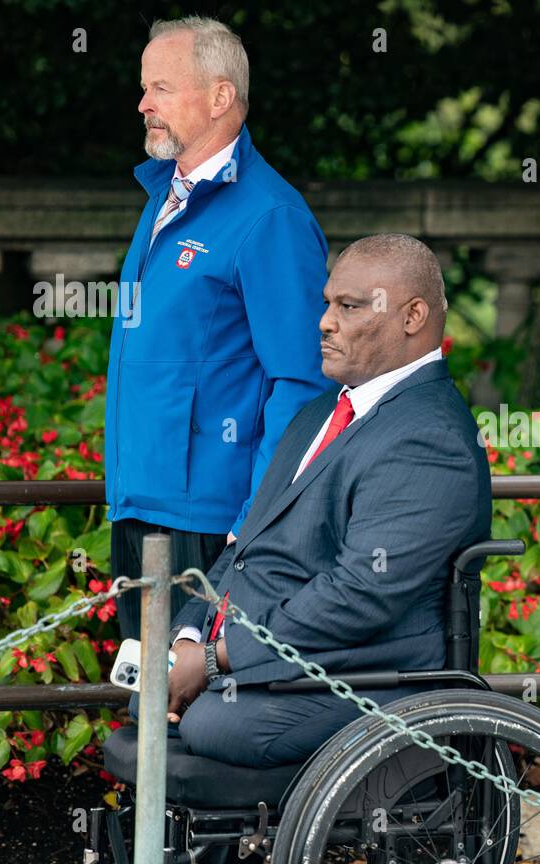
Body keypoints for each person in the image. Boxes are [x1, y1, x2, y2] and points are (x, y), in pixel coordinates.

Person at [124, 234, 491, 768]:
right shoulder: (319, 414)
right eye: (326, 303)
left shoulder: (428, 436)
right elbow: (245, 545)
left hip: (366, 672)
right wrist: (190, 636)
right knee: (154, 703)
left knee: (212, 721)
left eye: (349, 306)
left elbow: (362, 593)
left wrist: (213, 661)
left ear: (413, 316)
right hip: (275, 657)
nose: (324, 321)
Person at [105, 16, 334, 641]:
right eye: (144, 87)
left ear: (220, 96)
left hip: (210, 523)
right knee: (146, 714)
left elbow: (303, 382)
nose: (143, 103)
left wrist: (256, 517)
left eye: (160, 87)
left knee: (189, 724)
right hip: (137, 506)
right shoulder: (164, 194)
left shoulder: (271, 217)